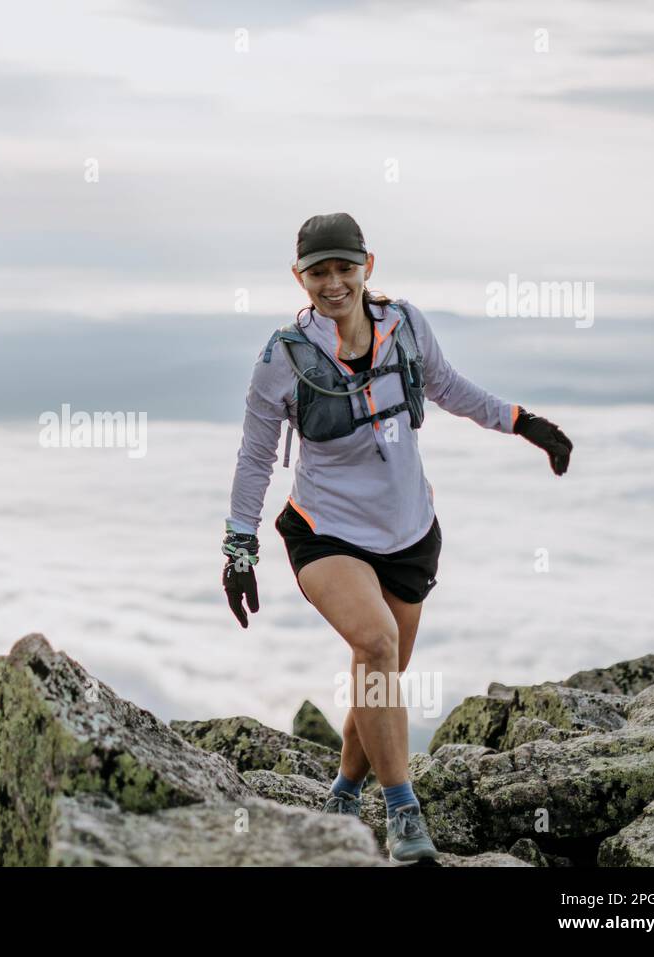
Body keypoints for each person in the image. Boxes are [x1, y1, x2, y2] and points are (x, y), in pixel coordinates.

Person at [220, 212, 573, 865]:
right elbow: (255, 457)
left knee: (378, 675)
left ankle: (345, 793)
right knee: (377, 644)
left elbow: (449, 388)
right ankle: (405, 816)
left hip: (411, 535)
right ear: (300, 277)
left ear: (367, 267)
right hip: (326, 533)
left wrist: (524, 423)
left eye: (343, 268)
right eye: (319, 271)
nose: (333, 283)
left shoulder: (405, 326)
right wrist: (239, 546)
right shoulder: (282, 358)